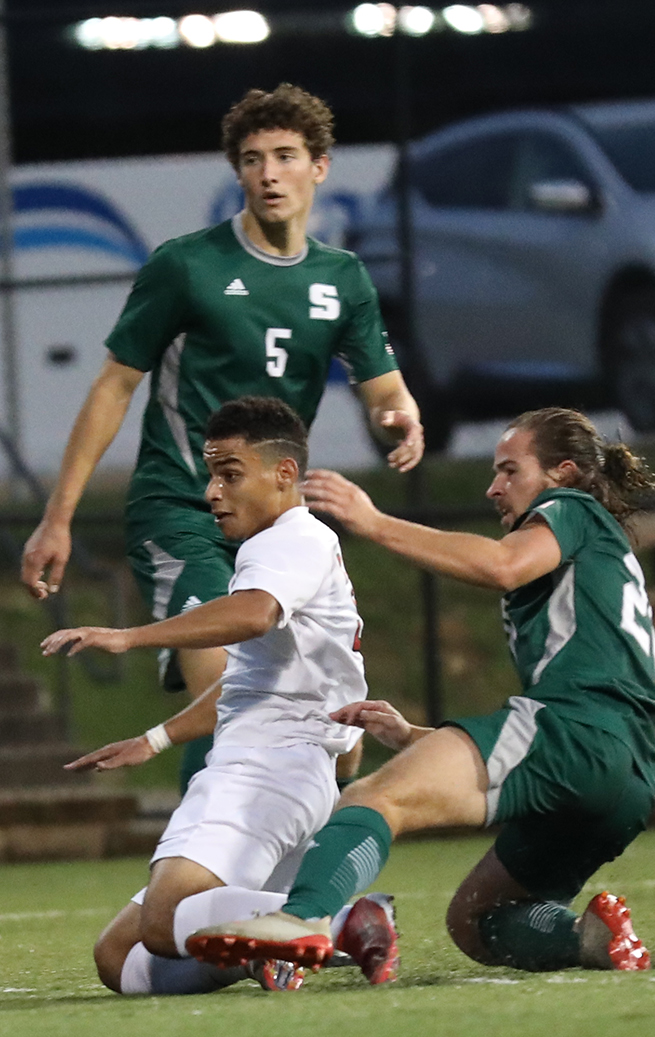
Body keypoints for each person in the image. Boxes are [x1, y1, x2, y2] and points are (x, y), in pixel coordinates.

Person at [22, 84, 424, 794]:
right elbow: (113, 386)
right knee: (229, 689)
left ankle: (287, 857)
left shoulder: (342, 278)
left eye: (286, 156)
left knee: (337, 738)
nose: (269, 173)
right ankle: (197, 858)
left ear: (320, 167)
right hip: (184, 506)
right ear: (237, 172)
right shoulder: (187, 266)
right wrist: (58, 517)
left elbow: (384, 389)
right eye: (252, 159)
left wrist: (401, 417)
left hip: (278, 522)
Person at [184, 408, 655, 976]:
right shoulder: (599, 556)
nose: (494, 487)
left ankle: (304, 918)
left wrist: (373, 522)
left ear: (563, 473)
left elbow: (504, 565)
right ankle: (590, 938)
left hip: (577, 732)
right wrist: (416, 737)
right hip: (631, 773)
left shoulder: (572, 508)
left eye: (510, 470)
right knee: (478, 918)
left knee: (370, 799)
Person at [45, 397, 390, 996]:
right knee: (119, 957)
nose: (212, 492)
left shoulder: (283, 541)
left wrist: (129, 636)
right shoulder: (304, 546)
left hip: (263, 771)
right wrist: (156, 738)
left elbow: (253, 615)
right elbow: (255, 682)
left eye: (230, 474)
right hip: (297, 777)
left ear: (284, 473)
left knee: (165, 919)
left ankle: (340, 924)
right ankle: (268, 953)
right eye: (211, 474)